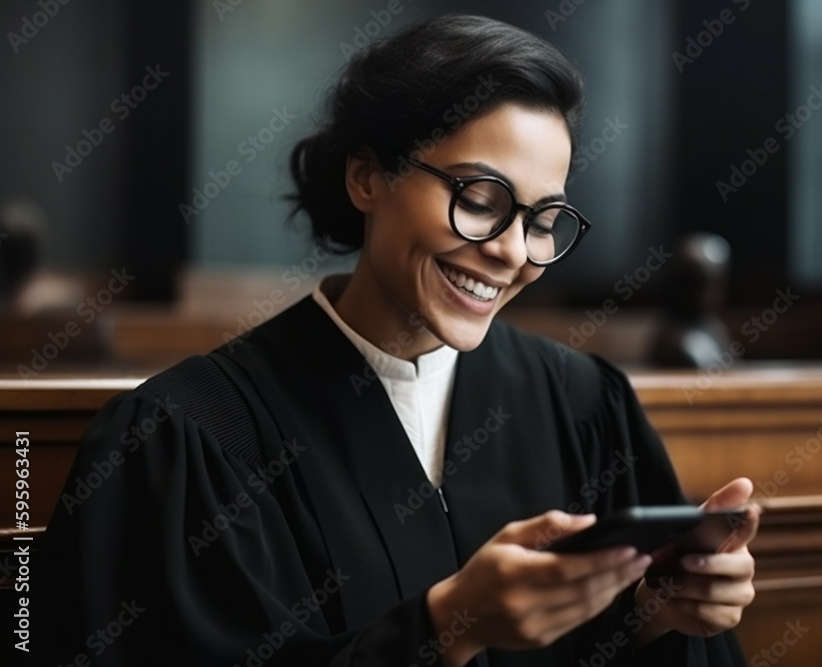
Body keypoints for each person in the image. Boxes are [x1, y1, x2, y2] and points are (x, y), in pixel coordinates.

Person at [35, 14, 758, 666]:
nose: (512, 251)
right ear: (367, 177)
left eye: (542, 221)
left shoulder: (583, 404)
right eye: (479, 199)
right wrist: (445, 625)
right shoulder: (188, 435)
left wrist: (653, 618)